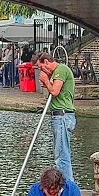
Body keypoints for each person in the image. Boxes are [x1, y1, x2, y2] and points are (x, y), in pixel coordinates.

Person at [35, 52, 77, 183]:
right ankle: (66, 184)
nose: (41, 70)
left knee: (61, 156)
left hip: (62, 117)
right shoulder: (55, 73)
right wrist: (48, 81)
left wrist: (47, 81)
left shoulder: (61, 70)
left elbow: (54, 91)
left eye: (41, 67)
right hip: (59, 117)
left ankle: (67, 186)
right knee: (61, 153)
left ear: (46, 62)